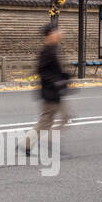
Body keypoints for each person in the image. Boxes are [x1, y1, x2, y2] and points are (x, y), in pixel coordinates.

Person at [25, 22, 72, 157]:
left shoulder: (54, 48)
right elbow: (41, 71)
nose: (60, 33)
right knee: (63, 116)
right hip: (50, 91)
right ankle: (48, 141)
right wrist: (57, 81)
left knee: (47, 120)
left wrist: (65, 77)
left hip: (54, 91)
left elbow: (56, 69)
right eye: (56, 31)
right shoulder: (46, 51)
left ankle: (28, 144)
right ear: (49, 35)